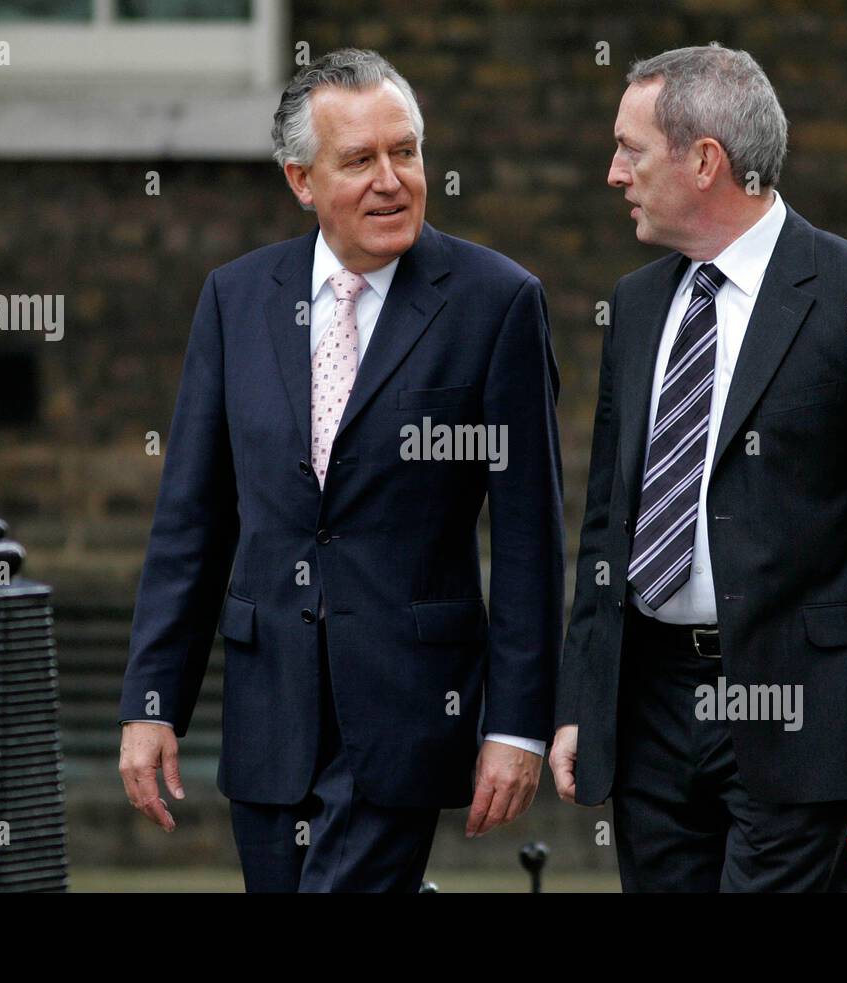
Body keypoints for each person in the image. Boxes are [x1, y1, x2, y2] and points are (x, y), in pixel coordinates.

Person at [118, 48, 563, 892]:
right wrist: (152, 701)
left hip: (406, 707)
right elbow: (191, 522)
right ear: (302, 179)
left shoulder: (496, 302)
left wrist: (517, 725)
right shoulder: (236, 298)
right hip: (269, 712)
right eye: (359, 160)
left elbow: (529, 537)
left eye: (406, 152)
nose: (391, 181)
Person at [549, 43, 847, 892]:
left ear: (705, 160)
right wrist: (580, 702)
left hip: (801, 708)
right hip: (650, 711)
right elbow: (607, 522)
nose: (613, 173)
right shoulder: (636, 304)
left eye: (631, 149)